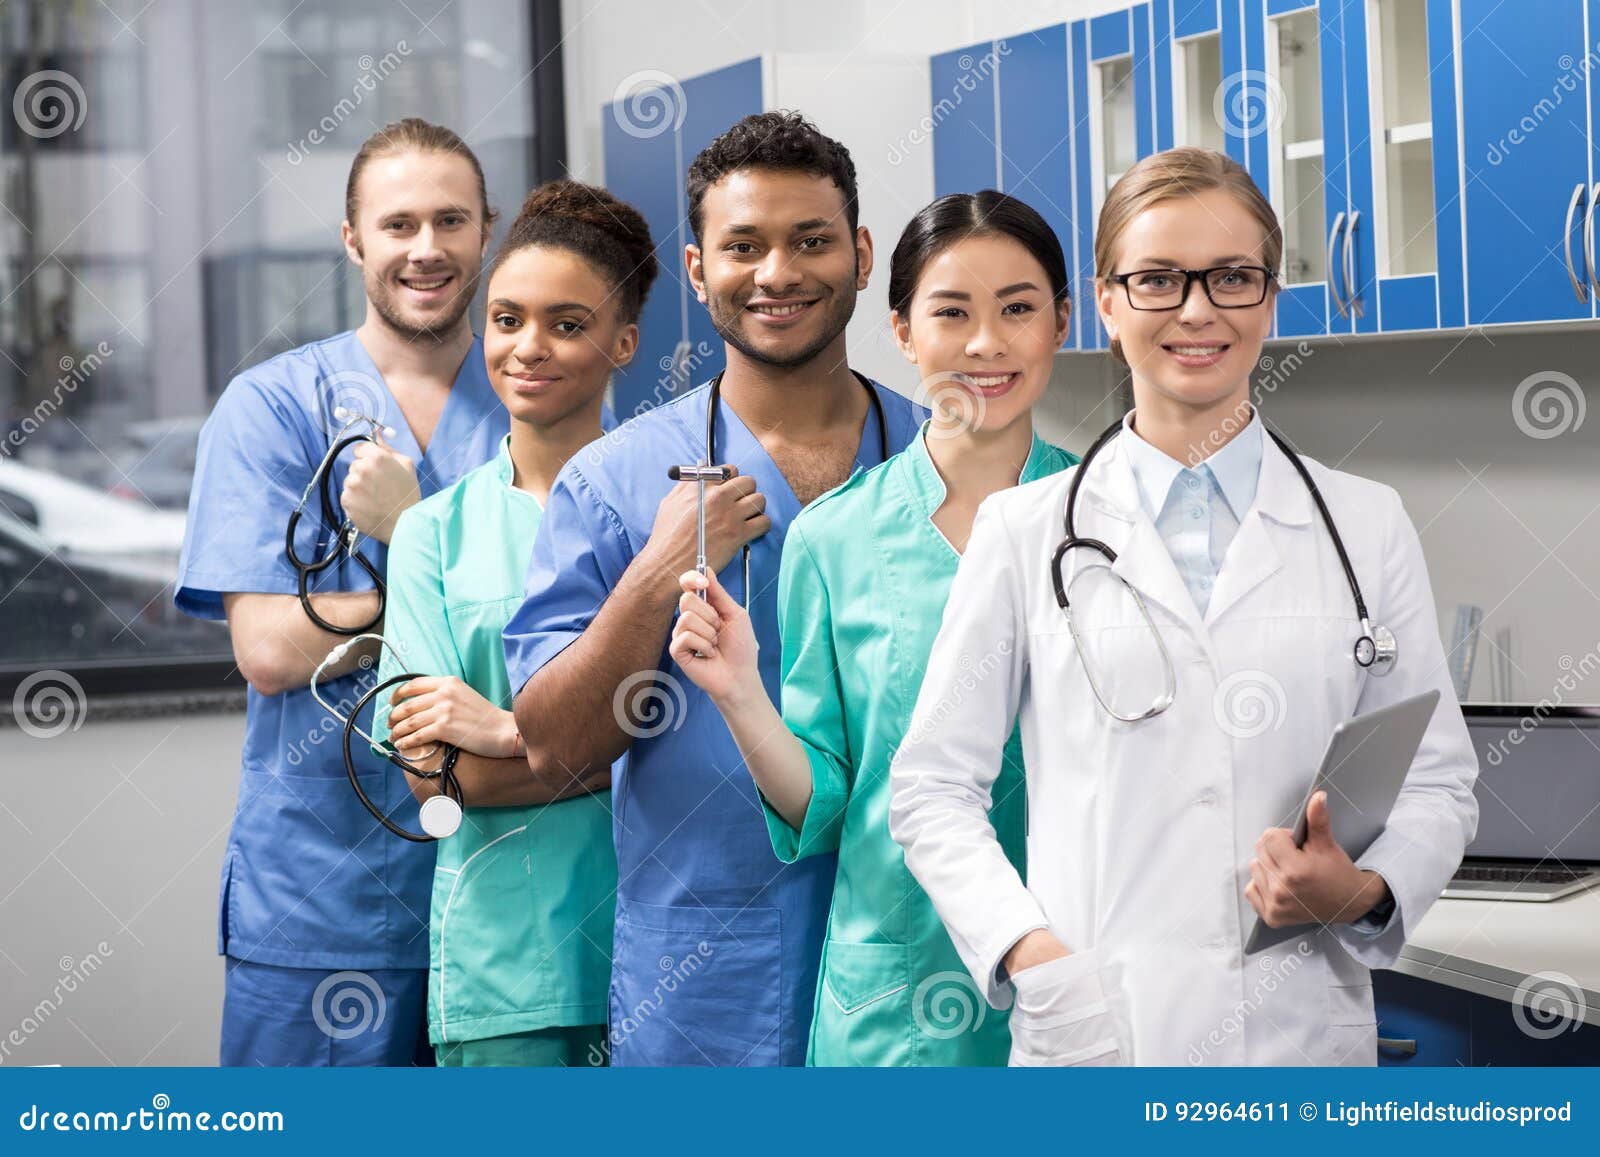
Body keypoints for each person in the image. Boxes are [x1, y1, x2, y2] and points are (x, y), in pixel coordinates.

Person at [888, 147, 1480, 1067]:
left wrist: (1361, 890)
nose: (1198, 308)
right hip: (1102, 1032)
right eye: (1159, 279)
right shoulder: (1025, 531)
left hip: (1299, 1037)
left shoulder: (1368, 524)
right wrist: (1030, 954)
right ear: (1110, 302)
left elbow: (1439, 782)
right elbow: (931, 787)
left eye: (1232, 277)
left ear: (1270, 299)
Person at [501, 112, 927, 1066]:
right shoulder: (613, 483)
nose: (778, 272)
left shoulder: (945, 461)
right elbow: (555, 747)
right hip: (703, 975)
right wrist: (658, 568)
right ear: (697, 271)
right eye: (744, 246)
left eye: (811, 241)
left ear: (860, 254)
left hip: (910, 954)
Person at [666, 191, 1077, 1066]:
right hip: (893, 1010)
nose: (985, 344)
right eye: (951, 312)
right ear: (901, 330)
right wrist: (741, 693)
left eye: (1018, 308)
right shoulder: (835, 537)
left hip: (1071, 980)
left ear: (1063, 321)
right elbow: (823, 803)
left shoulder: (1110, 521)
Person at [175, 119, 510, 1066]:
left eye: (451, 220)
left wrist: (399, 546)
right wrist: (433, 572)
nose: (427, 248)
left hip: (511, 885)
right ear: (353, 239)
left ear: (486, 232)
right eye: (398, 223)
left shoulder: (542, 400)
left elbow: (570, 635)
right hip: (326, 897)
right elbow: (274, 649)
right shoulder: (273, 407)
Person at [368, 179, 655, 1067]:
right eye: (505, 319)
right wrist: (633, 756)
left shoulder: (680, 514)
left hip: (679, 953)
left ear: (623, 341)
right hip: (512, 976)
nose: (527, 347)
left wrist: (505, 730)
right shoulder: (431, 535)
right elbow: (442, 786)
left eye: (567, 324)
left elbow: (725, 746)